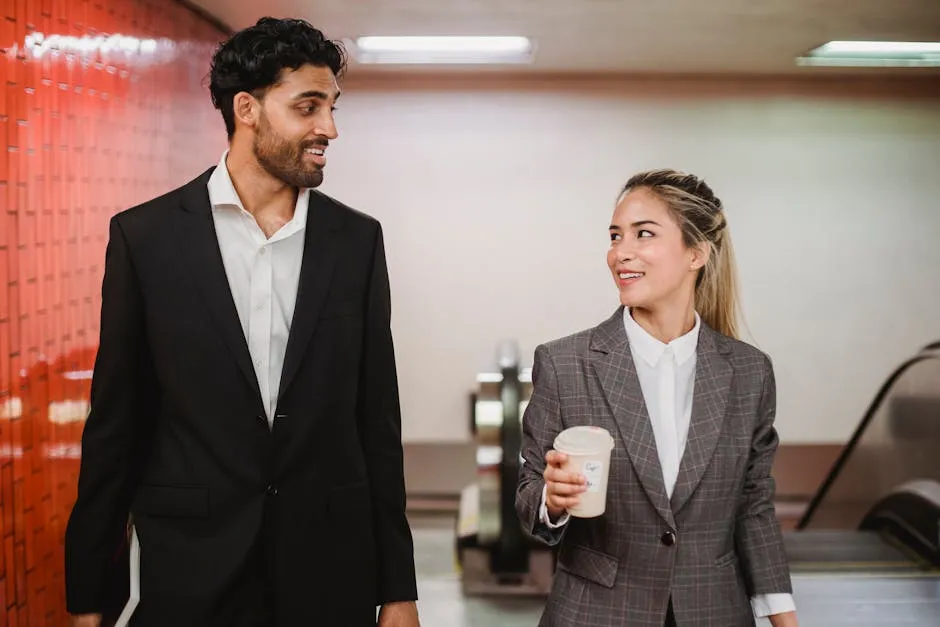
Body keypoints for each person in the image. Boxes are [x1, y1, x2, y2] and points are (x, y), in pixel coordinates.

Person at [64, 17, 419, 627]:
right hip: (192, 573)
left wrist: (399, 590)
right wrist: (91, 598)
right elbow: (116, 427)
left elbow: (376, 423)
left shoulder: (356, 241)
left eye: (331, 107)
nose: (328, 129)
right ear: (247, 108)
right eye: (308, 107)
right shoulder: (146, 239)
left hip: (328, 575)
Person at [515, 169, 798, 627]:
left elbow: (753, 507)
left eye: (643, 234)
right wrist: (552, 498)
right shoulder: (565, 364)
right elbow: (528, 493)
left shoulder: (748, 373)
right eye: (614, 235)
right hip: (594, 614)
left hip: (714, 611)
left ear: (696, 253)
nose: (619, 253)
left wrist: (784, 618)